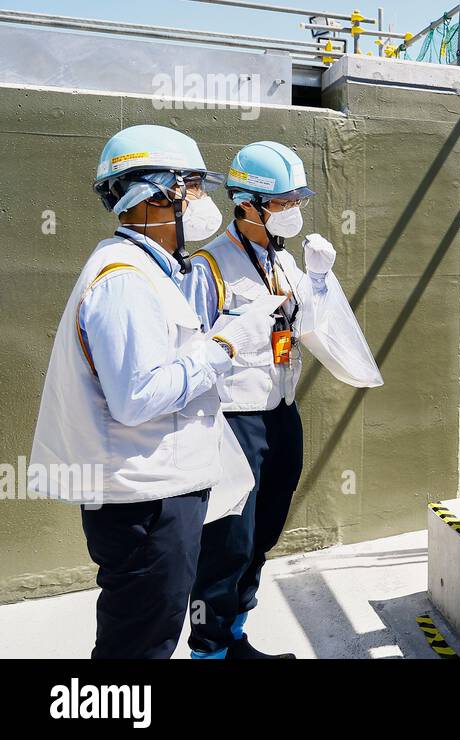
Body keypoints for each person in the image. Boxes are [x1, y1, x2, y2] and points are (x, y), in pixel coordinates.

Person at [27, 124, 275, 659]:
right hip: (144, 503)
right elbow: (137, 398)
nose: (202, 201)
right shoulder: (125, 281)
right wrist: (224, 347)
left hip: (156, 492)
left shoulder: (148, 270)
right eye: (193, 187)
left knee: (148, 636)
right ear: (157, 194)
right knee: (137, 647)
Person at [185, 140, 382, 659]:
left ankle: (234, 636)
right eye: (283, 203)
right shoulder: (209, 267)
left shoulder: (284, 261)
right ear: (246, 204)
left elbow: (316, 329)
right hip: (232, 423)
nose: (293, 212)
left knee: (263, 533)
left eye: (297, 201)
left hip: (280, 414)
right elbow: (192, 351)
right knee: (227, 542)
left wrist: (316, 281)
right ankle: (208, 648)